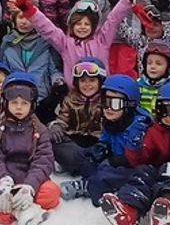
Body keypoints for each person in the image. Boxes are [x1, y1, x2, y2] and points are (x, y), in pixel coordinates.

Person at [86, 82, 170, 225]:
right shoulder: (155, 131)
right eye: (164, 111)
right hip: (155, 175)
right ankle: (129, 210)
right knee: (143, 171)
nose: (168, 117)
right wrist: (135, 146)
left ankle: (166, 207)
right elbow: (139, 160)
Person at [0, 72, 61, 225]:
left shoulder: (40, 130)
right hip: (1, 182)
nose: (19, 107)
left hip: (28, 182)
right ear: (5, 103)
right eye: (14, 102)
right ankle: (19, 212)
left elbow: (43, 161)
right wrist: (2, 180)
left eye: (24, 103)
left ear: (32, 105)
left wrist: (30, 186)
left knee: (52, 193)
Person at [14, 0, 144, 79]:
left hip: (100, 93)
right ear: (71, 25)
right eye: (78, 24)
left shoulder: (102, 40)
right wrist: (30, 11)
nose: (82, 27)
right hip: (74, 94)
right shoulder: (65, 43)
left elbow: (113, 19)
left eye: (87, 24)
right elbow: (47, 28)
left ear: (93, 26)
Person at [57, 75, 151, 205]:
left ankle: (92, 186)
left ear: (129, 105)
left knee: (108, 174)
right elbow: (106, 138)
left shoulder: (138, 126)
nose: (108, 108)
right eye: (105, 102)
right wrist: (101, 147)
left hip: (130, 166)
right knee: (82, 157)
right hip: (113, 160)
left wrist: (115, 160)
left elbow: (138, 157)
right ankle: (94, 180)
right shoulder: (111, 119)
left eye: (115, 103)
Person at [0, 5, 64, 124]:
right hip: (16, 100)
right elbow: (3, 71)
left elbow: (54, 69)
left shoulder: (46, 42)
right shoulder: (7, 43)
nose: (24, 22)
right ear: (14, 20)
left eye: (29, 18)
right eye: (20, 17)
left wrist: (58, 82)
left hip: (42, 99)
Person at [48, 57, 106, 176]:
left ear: (100, 82)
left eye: (92, 80)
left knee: (106, 150)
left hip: (97, 140)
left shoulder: (105, 100)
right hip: (75, 140)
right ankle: (80, 162)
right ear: (76, 83)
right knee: (54, 140)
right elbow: (63, 117)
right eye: (83, 81)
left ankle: (80, 163)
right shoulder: (70, 98)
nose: (87, 85)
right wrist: (56, 125)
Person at [136, 38, 170, 114]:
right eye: (149, 63)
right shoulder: (138, 84)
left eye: (158, 64)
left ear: (169, 67)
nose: (153, 67)